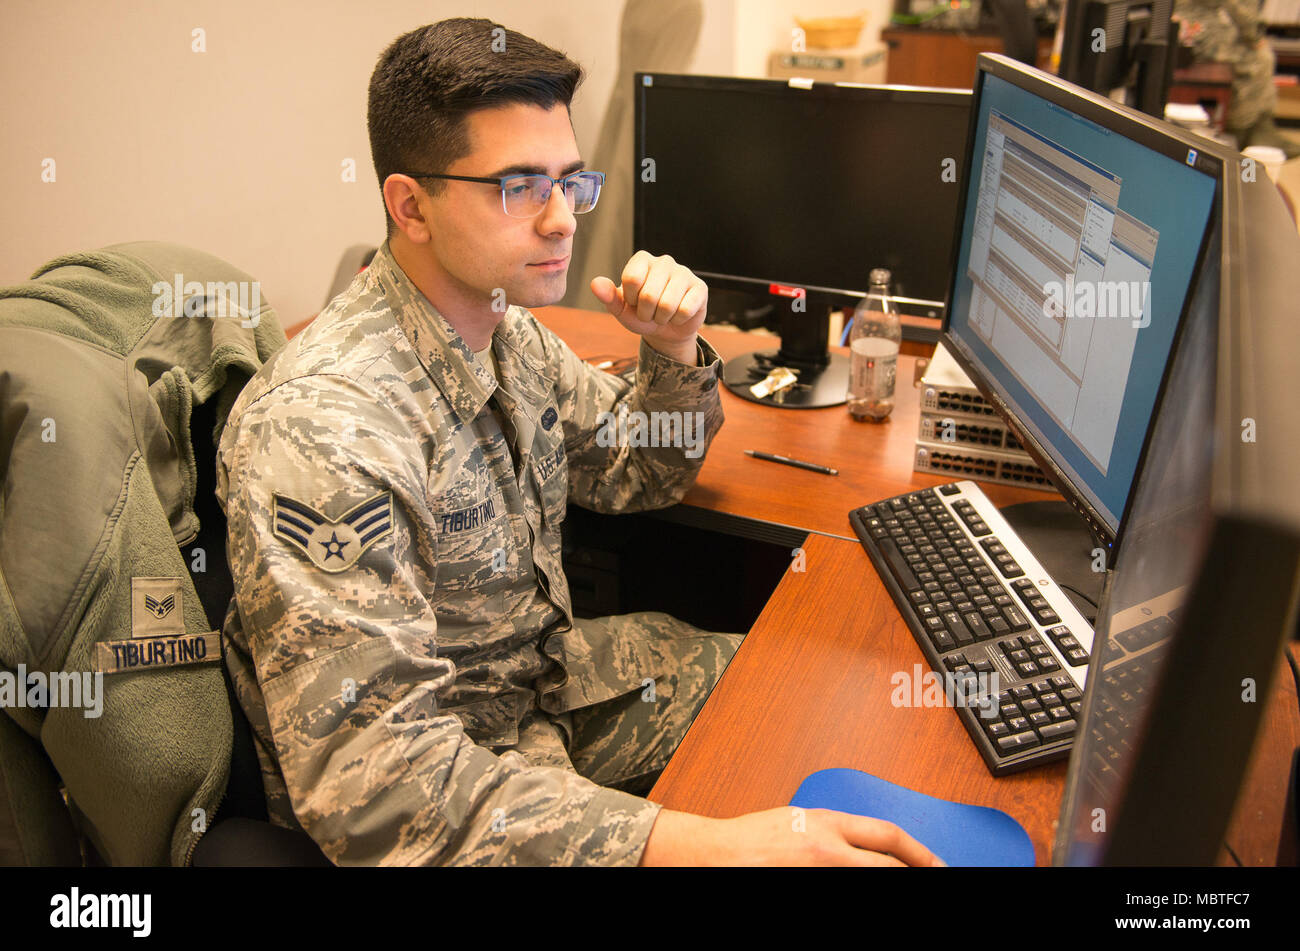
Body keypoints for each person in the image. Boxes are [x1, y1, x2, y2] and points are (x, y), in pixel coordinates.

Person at [216, 17, 942, 867]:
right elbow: (375, 789)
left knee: (796, 697)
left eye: (570, 181)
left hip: (542, 687)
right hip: (455, 779)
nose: (563, 220)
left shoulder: (500, 326)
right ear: (410, 204)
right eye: (521, 186)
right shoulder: (328, 433)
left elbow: (639, 472)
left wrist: (672, 348)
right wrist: (704, 847)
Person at [1176, 0, 1300, 157]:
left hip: (1203, 34)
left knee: (1261, 57)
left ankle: (1253, 130)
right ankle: (1246, 132)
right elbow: (1252, 33)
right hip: (1195, 37)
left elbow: (1252, 32)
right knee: (1259, 60)